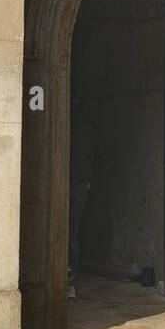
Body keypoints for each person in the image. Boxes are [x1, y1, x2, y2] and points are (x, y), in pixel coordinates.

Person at [69, 100, 100, 299]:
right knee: (73, 233)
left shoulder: (65, 126)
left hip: (64, 183)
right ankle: (70, 283)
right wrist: (90, 179)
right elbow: (98, 156)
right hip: (81, 184)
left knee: (56, 233)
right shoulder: (89, 129)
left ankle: (59, 281)